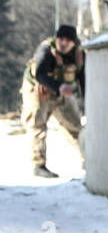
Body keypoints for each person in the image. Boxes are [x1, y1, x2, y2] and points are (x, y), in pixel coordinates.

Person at [21, 24, 84, 178]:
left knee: (75, 127)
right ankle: (38, 165)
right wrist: (59, 86)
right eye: (60, 39)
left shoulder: (79, 55)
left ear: (74, 43)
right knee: (37, 126)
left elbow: (83, 78)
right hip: (39, 90)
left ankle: (88, 159)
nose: (63, 43)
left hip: (62, 91)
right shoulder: (46, 51)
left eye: (67, 40)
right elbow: (40, 74)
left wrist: (87, 100)